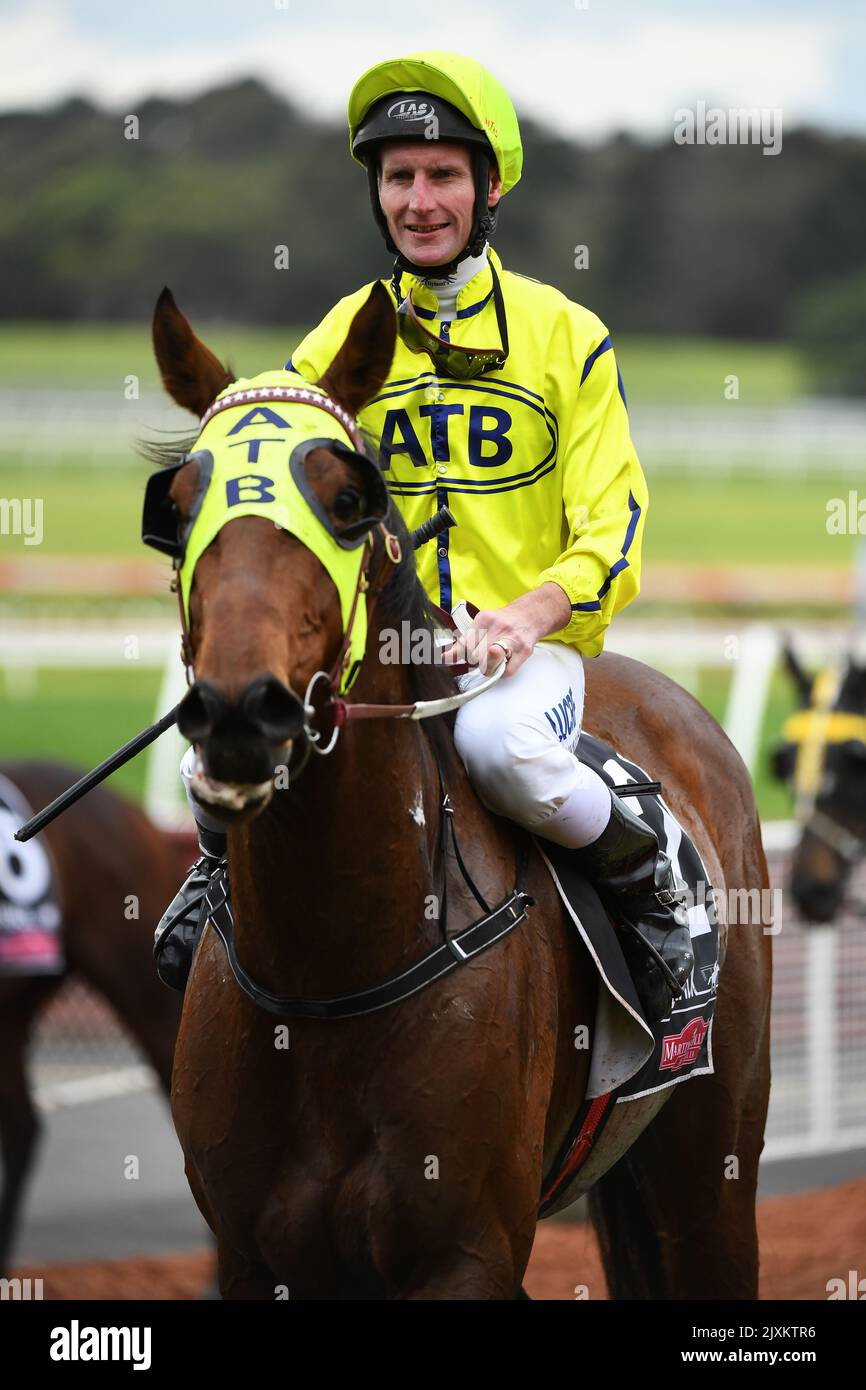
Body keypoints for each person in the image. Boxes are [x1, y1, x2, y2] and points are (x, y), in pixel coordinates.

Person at [154, 50, 693, 1022]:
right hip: (379, 652)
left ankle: (653, 883)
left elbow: (611, 529)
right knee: (230, 731)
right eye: (397, 176)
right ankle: (216, 866)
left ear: (489, 187)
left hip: (516, 661)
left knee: (500, 751)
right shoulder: (332, 344)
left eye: (442, 174)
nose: (417, 199)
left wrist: (525, 616)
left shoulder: (567, 337)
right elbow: (267, 486)